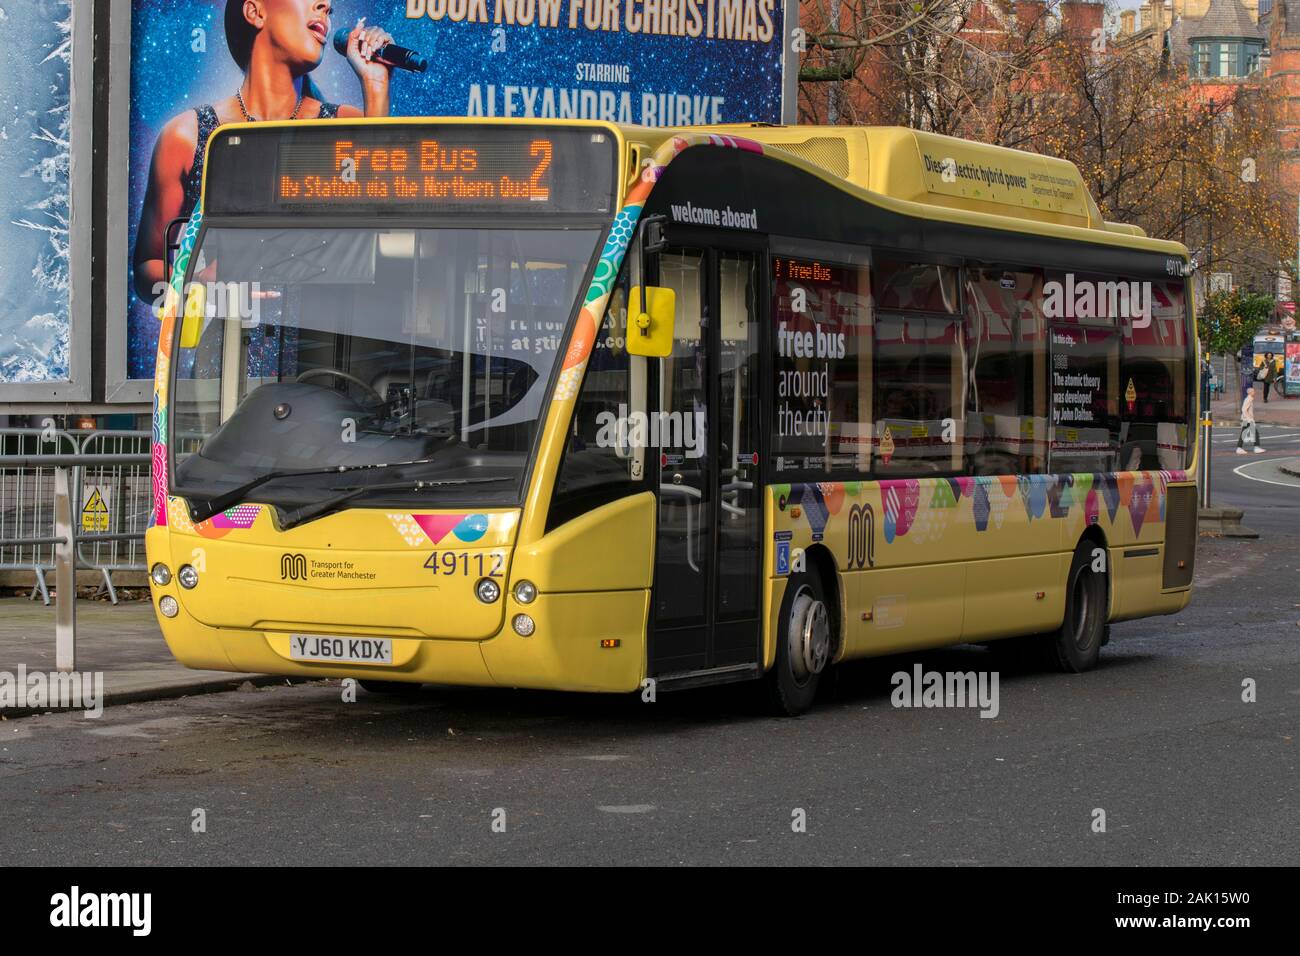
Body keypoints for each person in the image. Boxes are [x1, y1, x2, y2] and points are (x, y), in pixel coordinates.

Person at [133, 0, 395, 304]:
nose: (325, 5)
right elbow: (146, 268)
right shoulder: (186, 137)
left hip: (322, 342)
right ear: (255, 12)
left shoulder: (347, 127)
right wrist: (198, 284)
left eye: (329, 7)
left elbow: (379, 229)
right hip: (226, 345)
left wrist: (376, 86)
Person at [1236, 386, 1265, 454]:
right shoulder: (1248, 399)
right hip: (1248, 420)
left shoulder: (1250, 399)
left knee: (1244, 433)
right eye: (1253, 391)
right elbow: (1243, 409)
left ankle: (1239, 448)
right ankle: (1256, 448)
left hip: (1246, 419)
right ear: (1250, 392)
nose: (1254, 392)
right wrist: (1249, 418)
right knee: (1255, 433)